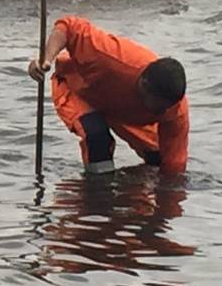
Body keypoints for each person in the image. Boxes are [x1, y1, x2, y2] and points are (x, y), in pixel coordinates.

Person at [28, 16, 189, 175]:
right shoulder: (110, 57)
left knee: (158, 159)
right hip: (78, 90)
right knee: (97, 137)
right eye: (159, 107)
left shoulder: (175, 110)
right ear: (144, 85)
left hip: (122, 111)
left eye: (167, 108)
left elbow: (174, 167)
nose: (163, 112)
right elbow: (68, 28)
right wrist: (46, 59)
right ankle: (97, 193)